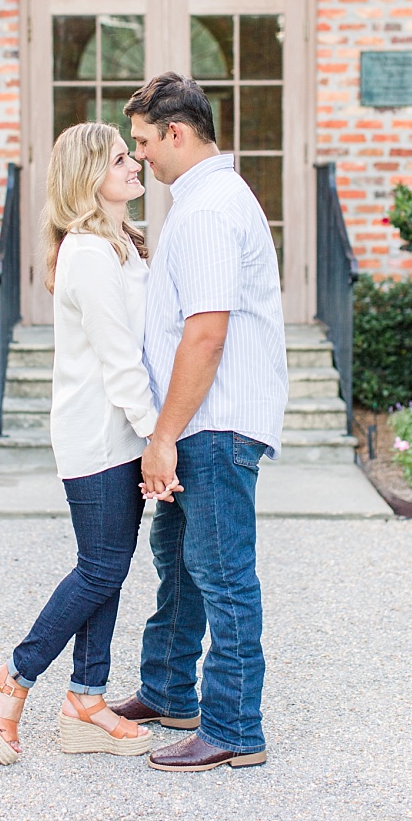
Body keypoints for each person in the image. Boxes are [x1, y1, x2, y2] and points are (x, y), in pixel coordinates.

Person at [0, 122, 160, 763]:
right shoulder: (89, 253)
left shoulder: (121, 243)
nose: (136, 165)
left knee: (109, 568)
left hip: (119, 432)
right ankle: (11, 679)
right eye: (122, 159)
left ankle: (86, 701)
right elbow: (119, 358)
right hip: (98, 434)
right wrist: (158, 434)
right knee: (100, 568)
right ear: (89, 177)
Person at [105, 72, 289, 773]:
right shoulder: (202, 200)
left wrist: (162, 437)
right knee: (178, 563)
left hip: (213, 422)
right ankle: (168, 692)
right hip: (197, 422)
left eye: (143, 141)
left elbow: (206, 335)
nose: (139, 155)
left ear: (176, 133)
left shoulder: (211, 208)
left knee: (221, 573)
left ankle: (235, 728)